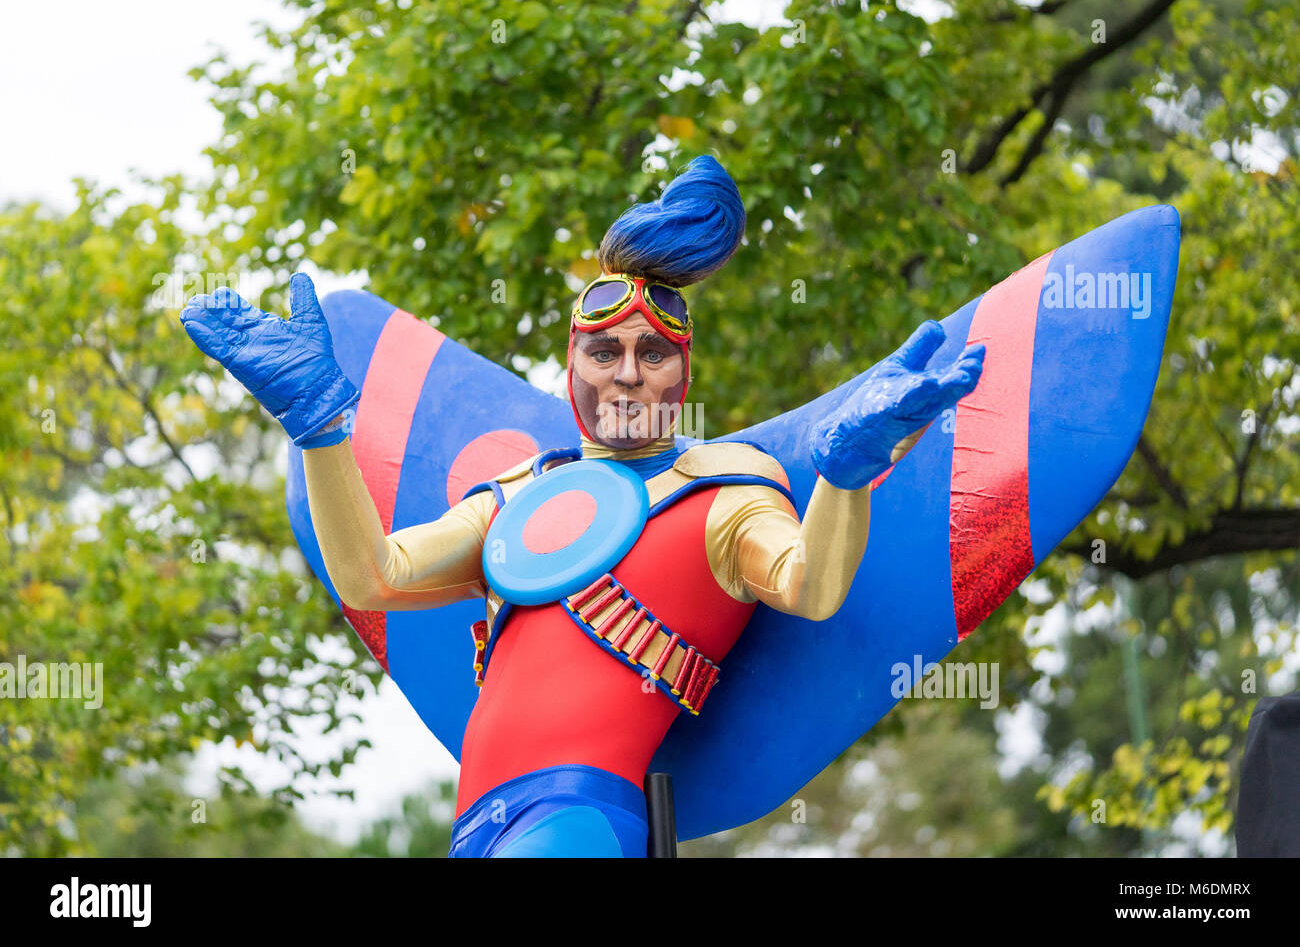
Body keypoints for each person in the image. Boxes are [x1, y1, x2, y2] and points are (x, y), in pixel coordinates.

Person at [181, 155, 985, 857]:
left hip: (578, 818)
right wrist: (319, 428)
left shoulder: (725, 490)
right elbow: (372, 577)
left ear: (684, 373)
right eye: (604, 351)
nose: (628, 373)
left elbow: (810, 585)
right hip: (472, 828)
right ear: (573, 368)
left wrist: (844, 474)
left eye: (652, 353)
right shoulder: (519, 495)